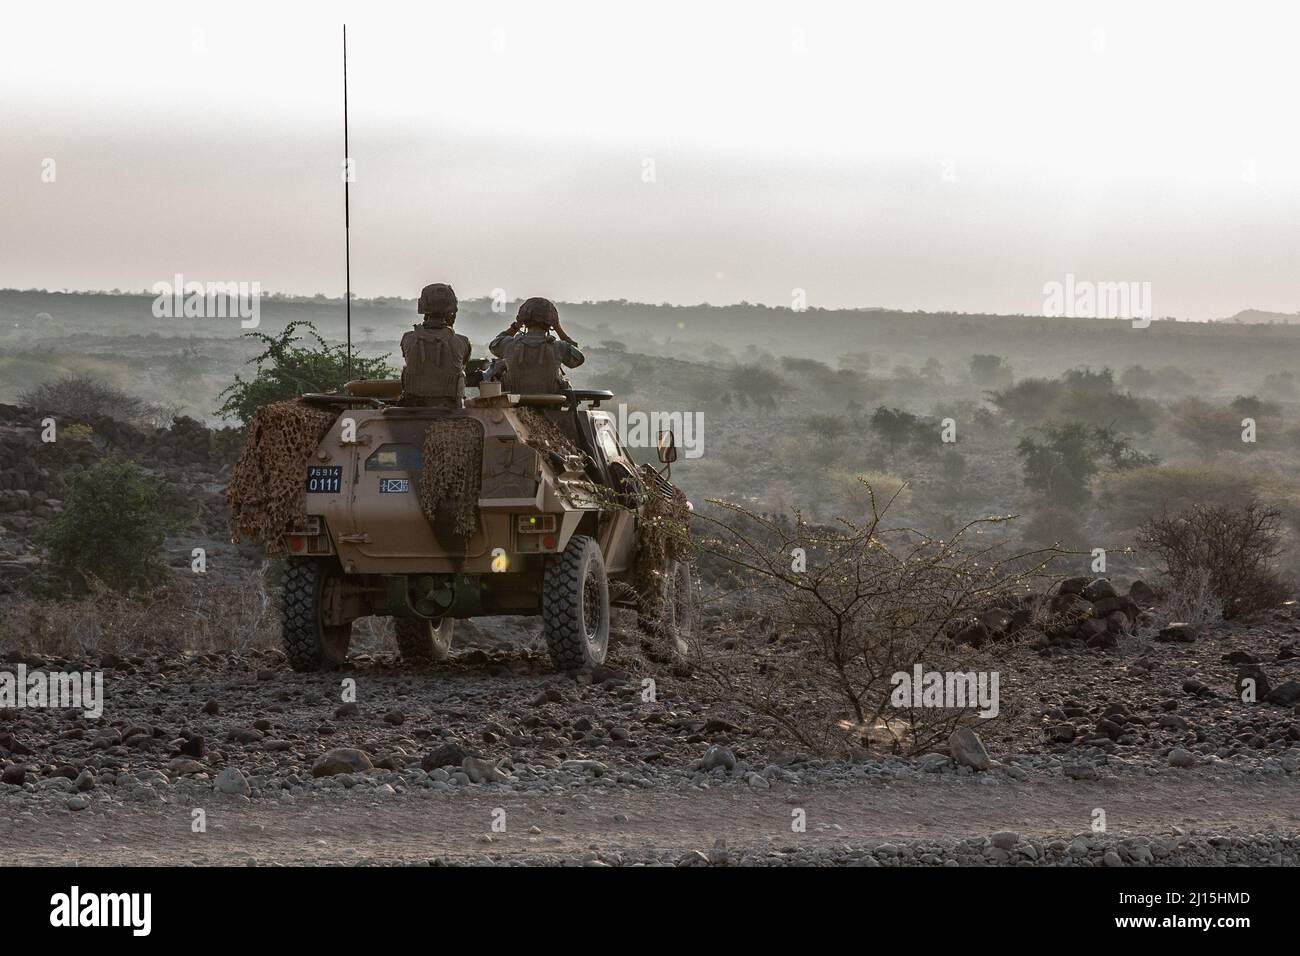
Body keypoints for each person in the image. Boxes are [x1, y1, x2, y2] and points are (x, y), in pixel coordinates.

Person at [488, 297, 584, 394]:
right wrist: (558, 328)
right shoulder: (559, 347)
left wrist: (516, 325)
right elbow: (578, 359)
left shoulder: (509, 344)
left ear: (523, 319)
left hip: (516, 403)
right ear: (551, 321)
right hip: (551, 403)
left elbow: (494, 345)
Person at [400, 282, 472, 408]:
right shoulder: (462, 342)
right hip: (450, 412)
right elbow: (460, 365)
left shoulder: (408, 339)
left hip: (412, 411)